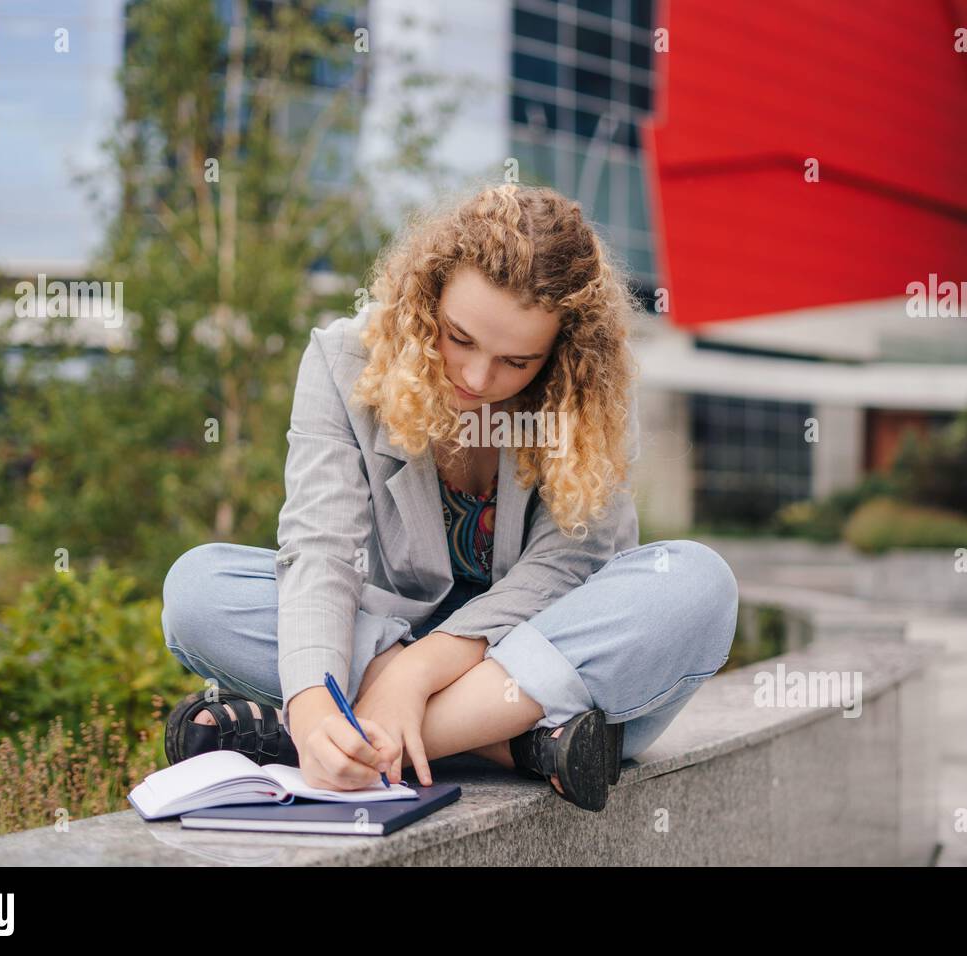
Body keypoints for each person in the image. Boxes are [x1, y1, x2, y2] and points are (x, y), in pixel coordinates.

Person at [160, 183, 738, 812]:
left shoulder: (587, 386)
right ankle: (520, 746)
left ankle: (348, 741)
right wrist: (311, 703)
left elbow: (565, 568)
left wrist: (417, 674)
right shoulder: (343, 361)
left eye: (516, 361)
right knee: (199, 589)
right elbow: (319, 548)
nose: (476, 379)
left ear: (557, 353)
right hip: (402, 641)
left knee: (698, 583)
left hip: (534, 655)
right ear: (427, 295)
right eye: (459, 338)